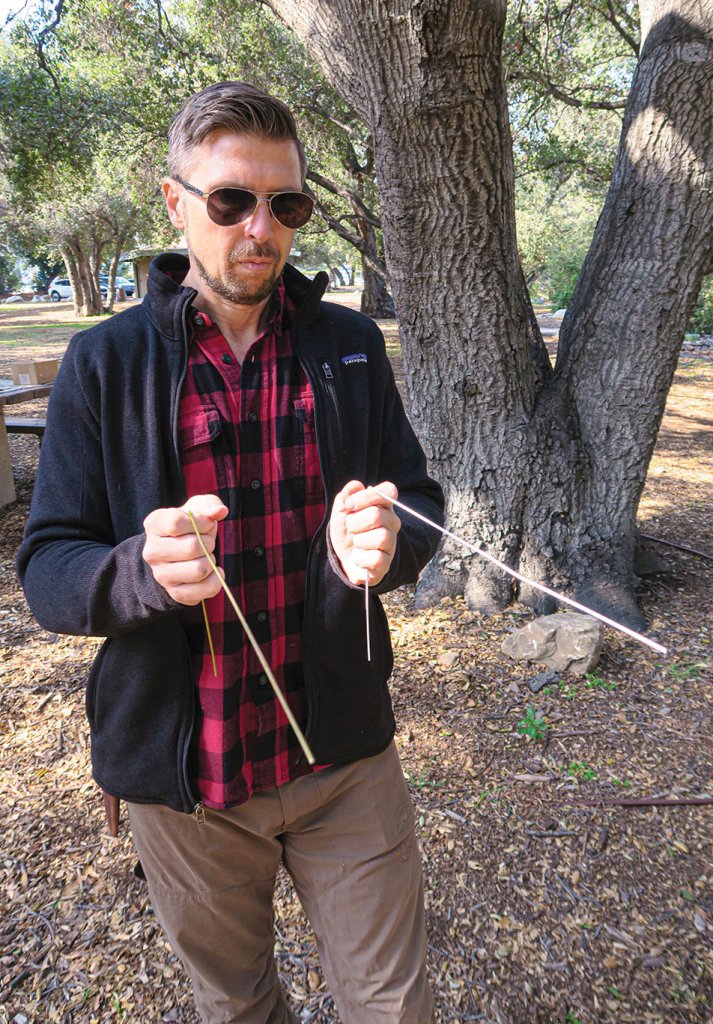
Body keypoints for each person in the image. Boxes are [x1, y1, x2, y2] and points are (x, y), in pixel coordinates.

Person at [17, 81, 444, 1024]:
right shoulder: (105, 362)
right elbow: (48, 568)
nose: (261, 228)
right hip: (189, 787)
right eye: (230, 200)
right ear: (175, 203)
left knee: (394, 1005)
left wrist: (387, 540)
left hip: (344, 760)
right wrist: (135, 573)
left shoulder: (349, 347)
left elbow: (418, 504)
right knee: (237, 1005)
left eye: (284, 204)